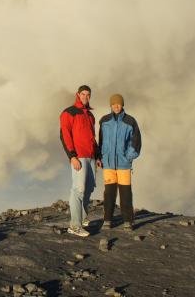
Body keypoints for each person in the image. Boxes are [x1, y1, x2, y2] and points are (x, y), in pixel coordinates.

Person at [59, 85, 100, 237]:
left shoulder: (90, 116)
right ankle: (74, 226)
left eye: (88, 95)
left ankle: (82, 218)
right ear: (77, 94)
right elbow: (65, 135)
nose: (85, 97)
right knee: (78, 189)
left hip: (90, 157)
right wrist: (72, 156)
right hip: (79, 157)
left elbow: (92, 139)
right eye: (83, 94)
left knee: (89, 188)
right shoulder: (69, 112)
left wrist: (98, 156)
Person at [98, 94, 141, 231]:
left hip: (124, 164)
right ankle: (107, 220)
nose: (116, 106)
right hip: (108, 163)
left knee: (125, 193)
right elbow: (101, 141)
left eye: (119, 104)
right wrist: (100, 157)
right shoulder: (104, 121)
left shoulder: (130, 121)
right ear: (110, 105)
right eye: (114, 104)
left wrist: (128, 157)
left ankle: (128, 221)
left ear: (122, 105)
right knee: (109, 193)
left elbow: (136, 142)